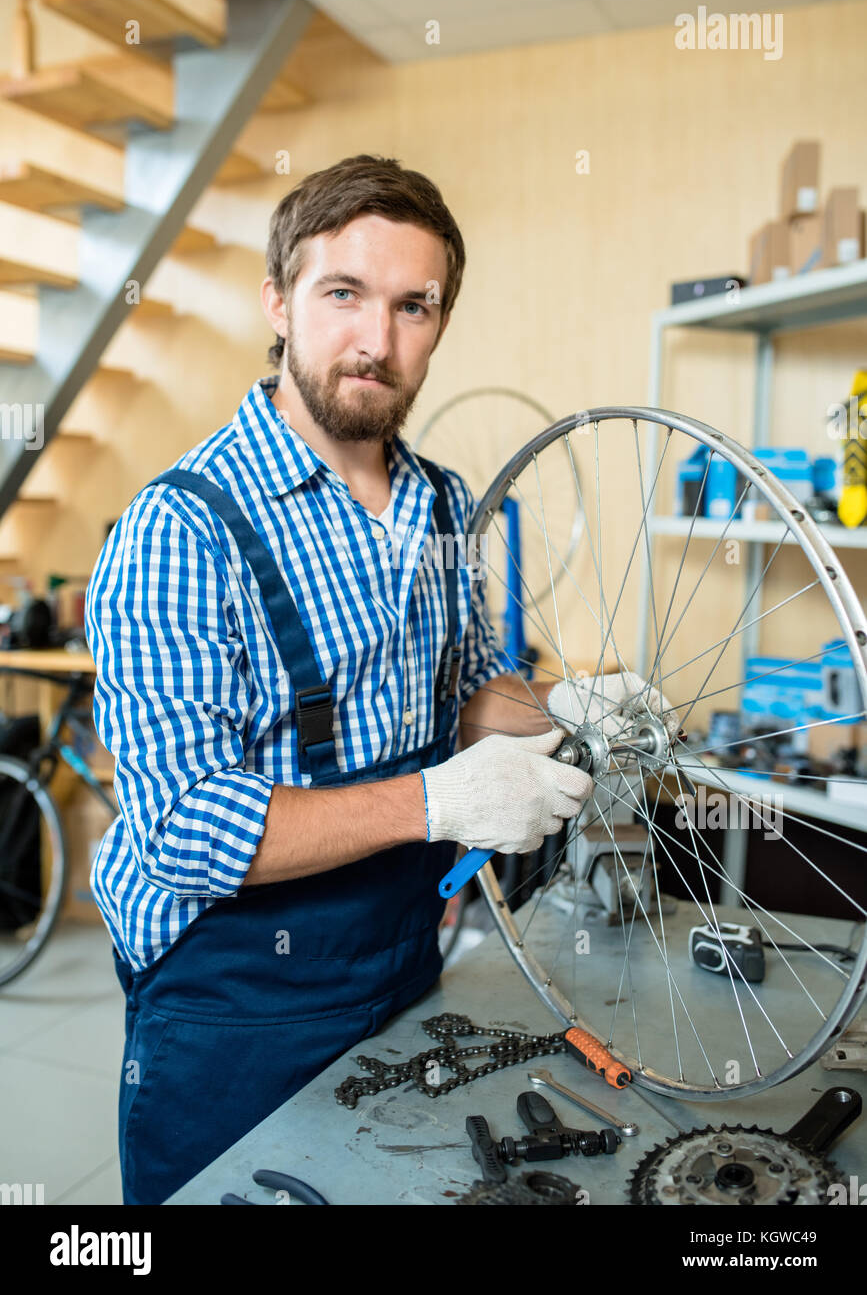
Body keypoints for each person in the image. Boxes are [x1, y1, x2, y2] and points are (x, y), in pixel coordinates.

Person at [85, 153, 675, 1205]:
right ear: (278, 301)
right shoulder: (178, 531)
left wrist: (566, 705)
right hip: (233, 1001)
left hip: (401, 962)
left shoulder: (443, 505)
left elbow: (463, 698)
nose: (378, 339)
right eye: (343, 293)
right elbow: (181, 828)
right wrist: (441, 800)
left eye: (416, 305)